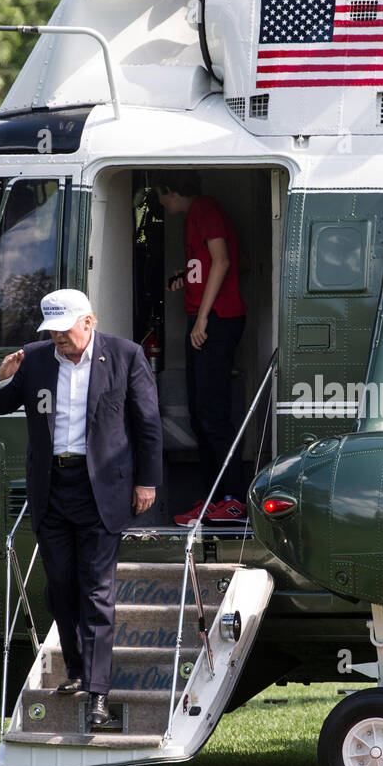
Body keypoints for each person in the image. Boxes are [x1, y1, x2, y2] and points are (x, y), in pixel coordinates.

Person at [0, 289, 163, 730]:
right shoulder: (38, 359)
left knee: (97, 590)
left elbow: (147, 423)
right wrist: (3, 377)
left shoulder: (125, 356)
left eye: (65, 334)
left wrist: (147, 481)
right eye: (53, 335)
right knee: (61, 585)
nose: (59, 343)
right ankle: (79, 668)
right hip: (52, 487)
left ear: (89, 322)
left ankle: (99, 692)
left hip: (102, 488)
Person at [151, 171, 249, 527]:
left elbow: (223, 261)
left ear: (172, 190)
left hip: (218, 320)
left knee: (212, 414)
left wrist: (203, 319)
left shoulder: (205, 209)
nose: (160, 203)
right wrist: (188, 275)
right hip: (208, 316)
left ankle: (232, 499)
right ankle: (213, 500)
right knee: (199, 414)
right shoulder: (196, 215)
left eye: (161, 195)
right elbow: (212, 264)